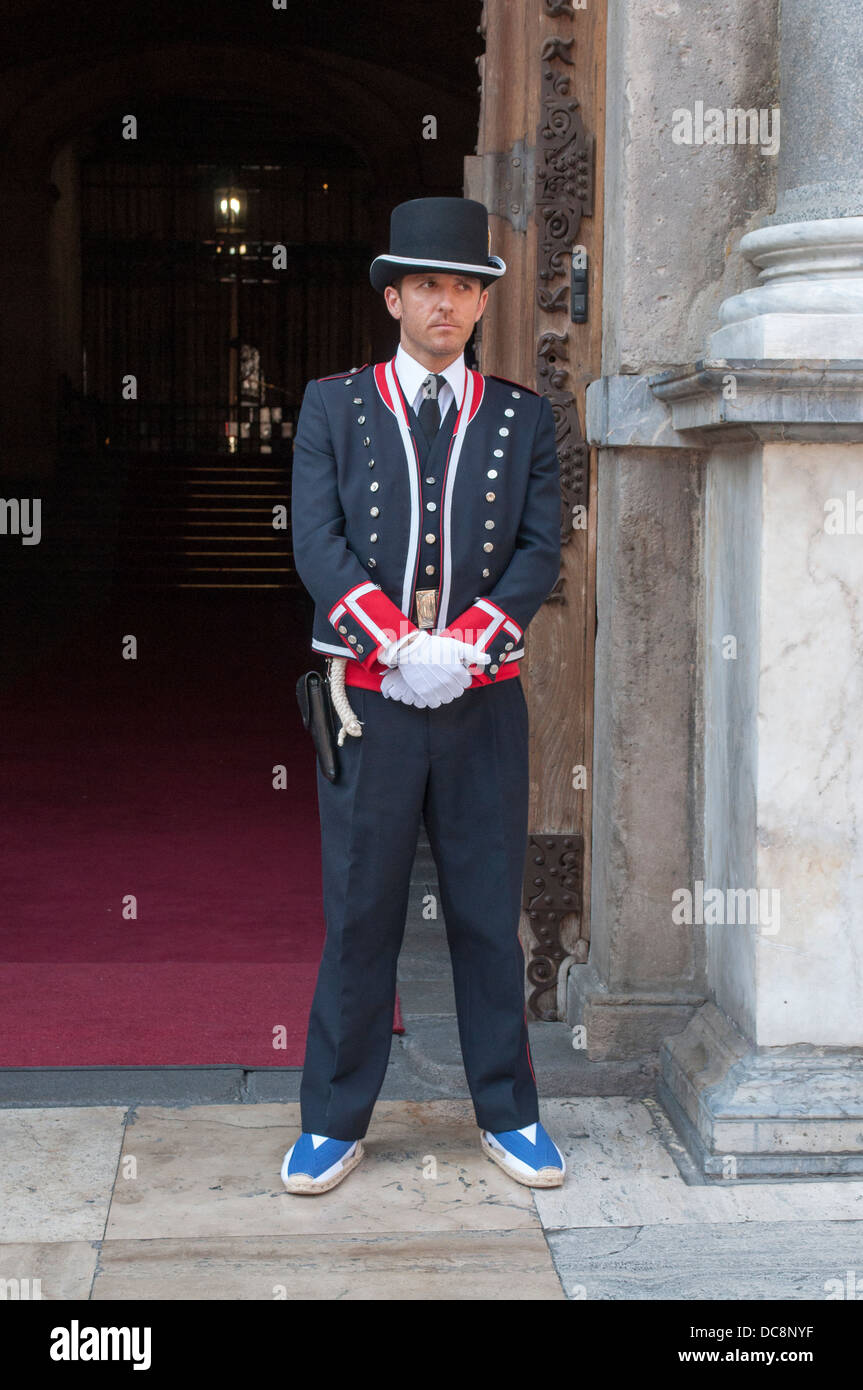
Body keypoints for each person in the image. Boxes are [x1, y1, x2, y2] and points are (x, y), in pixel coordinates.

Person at [282, 196, 565, 1194]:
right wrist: (398, 643)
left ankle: (510, 1111)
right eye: (428, 286)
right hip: (369, 698)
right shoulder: (334, 404)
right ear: (393, 297)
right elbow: (313, 541)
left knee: (488, 911)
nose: (446, 304)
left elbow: (539, 547)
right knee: (360, 912)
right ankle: (330, 1118)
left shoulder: (524, 415)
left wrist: (469, 645)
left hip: (481, 702)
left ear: (481, 304)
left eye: (464, 288)